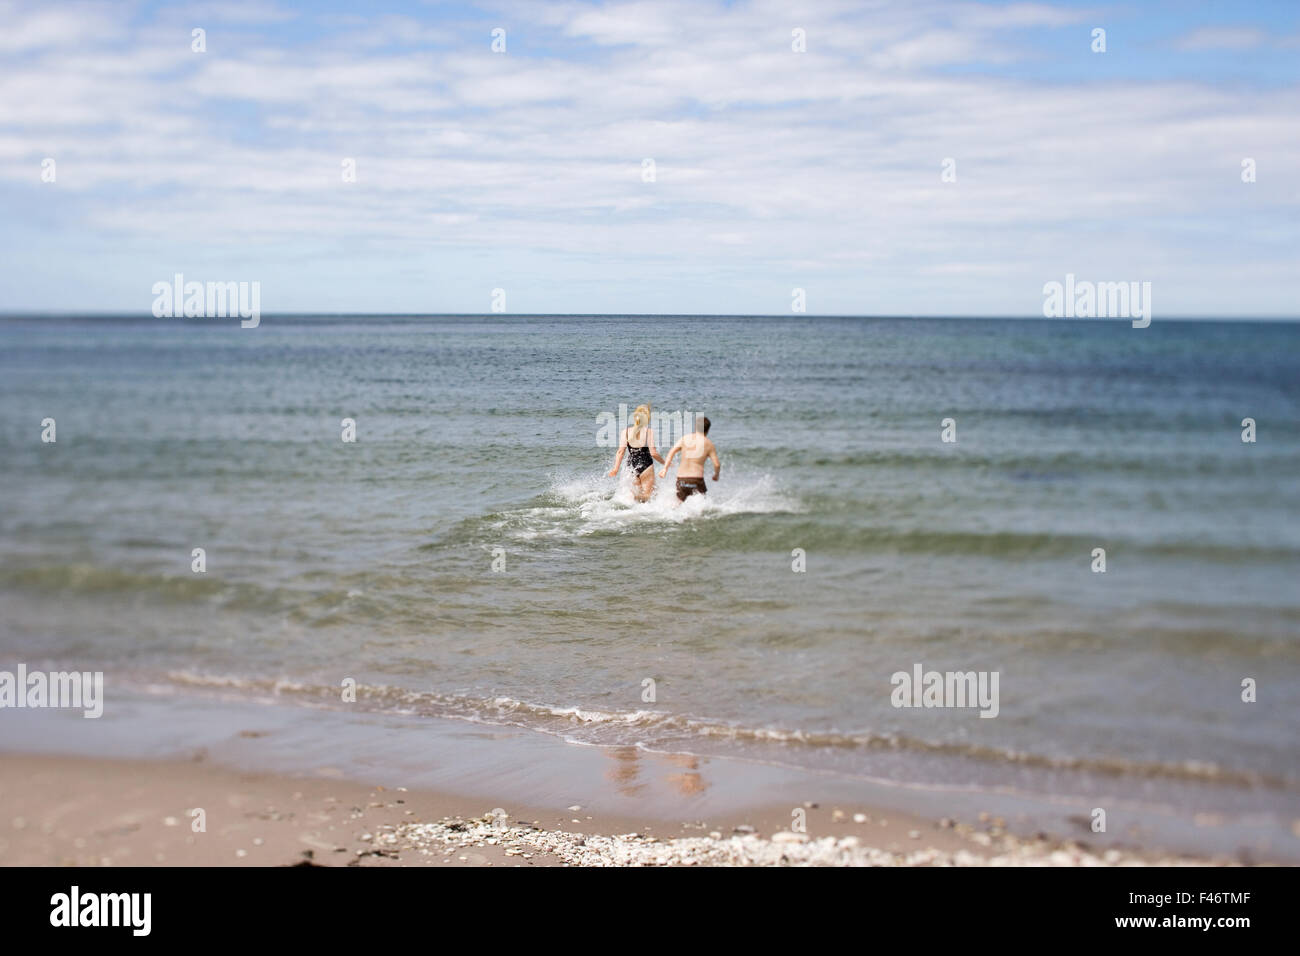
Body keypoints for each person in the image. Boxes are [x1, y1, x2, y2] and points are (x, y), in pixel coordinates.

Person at [607, 404, 664, 502]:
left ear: (635, 417)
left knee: (636, 494)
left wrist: (615, 469)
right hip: (646, 465)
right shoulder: (649, 432)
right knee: (648, 496)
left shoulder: (625, 432)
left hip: (631, 466)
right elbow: (653, 453)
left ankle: (632, 501)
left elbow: (620, 451)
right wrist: (665, 463)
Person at [659, 415, 719, 503]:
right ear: (708, 430)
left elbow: (672, 451)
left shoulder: (685, 439)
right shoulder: (708, 443)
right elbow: (717, 464)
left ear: (695, 427)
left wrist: (665, 469)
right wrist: (716, 475)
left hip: (682, 479)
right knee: (701, 505)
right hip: (696, 479)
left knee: (678, 504)